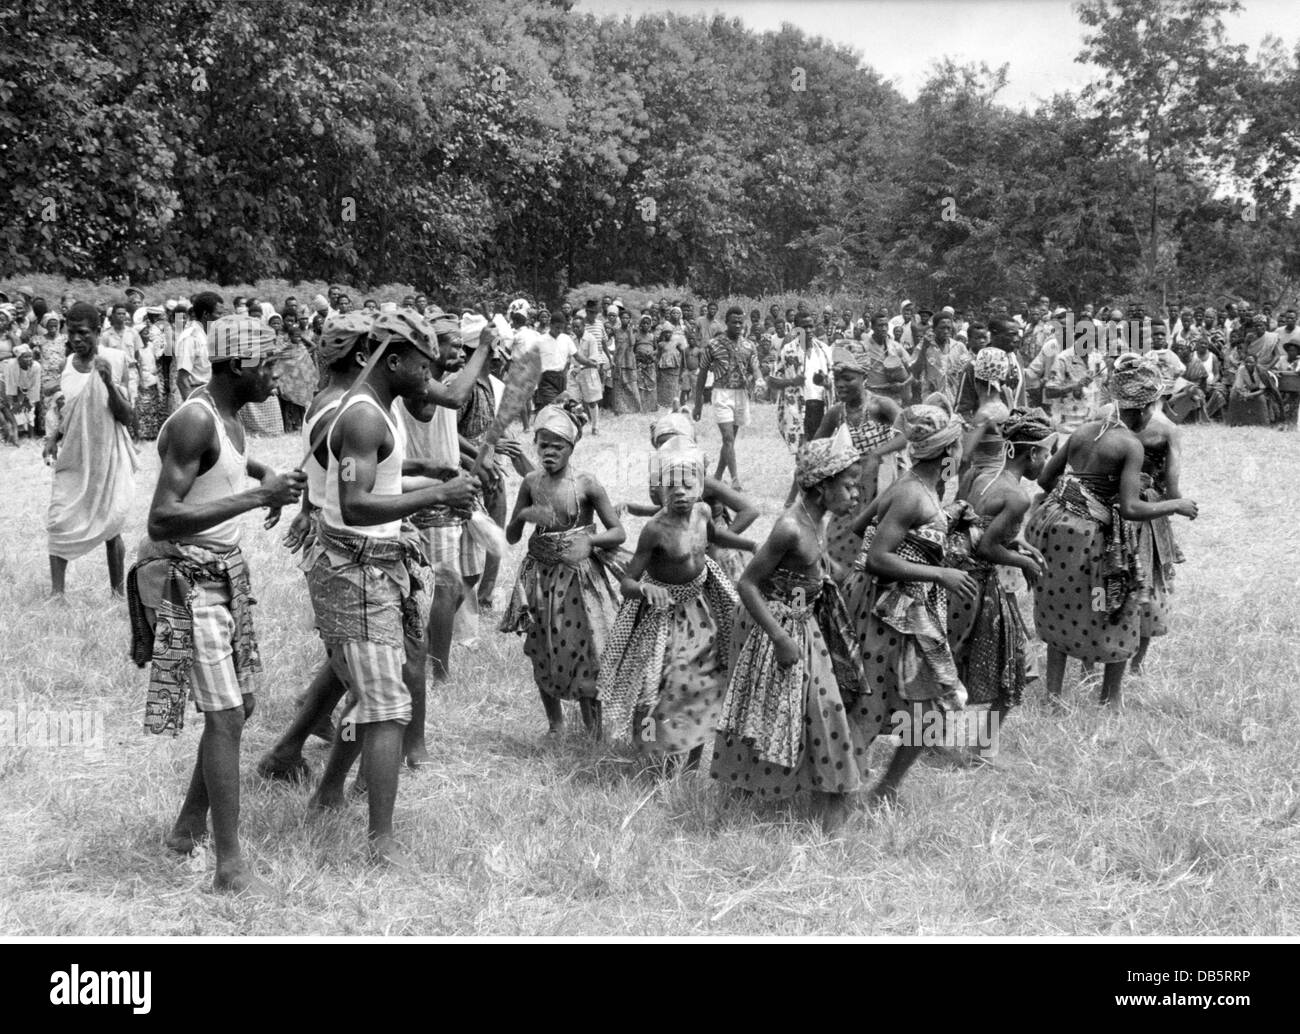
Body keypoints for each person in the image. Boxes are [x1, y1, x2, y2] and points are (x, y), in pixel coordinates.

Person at [127, 314, 306, 895]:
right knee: (226, 716)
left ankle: (187, 827)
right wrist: (259, 496)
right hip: (188, 579)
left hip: (221, 576)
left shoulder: (227, 417)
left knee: (241, 705)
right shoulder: (195, 420)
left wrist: (265, 472)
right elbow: (162, 517)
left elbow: (226, 464)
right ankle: (229, 868)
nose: (277, 377)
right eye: (269, 366)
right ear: (239, 367)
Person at [304, 309, 476, 867]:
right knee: (387, 705)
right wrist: (436, 499)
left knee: (372, 692)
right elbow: (355, 505)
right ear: (394, 360)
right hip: (353, 572)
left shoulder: (381, 411)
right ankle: (382, 844)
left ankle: (328, 794)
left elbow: (377, 478)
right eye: (424, 366)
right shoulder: (361, 419)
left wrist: (434, 477)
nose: (431, 377)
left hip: (377, 568)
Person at [711, 426, 884, 833]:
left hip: (807, 626)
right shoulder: (790, 528)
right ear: (821, 488)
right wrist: (780, 637)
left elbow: (814, 568)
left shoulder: (817, 520)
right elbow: (748, 584)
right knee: (800, 713)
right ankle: (819, 813)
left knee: (808, 712)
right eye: (849, 487)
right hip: (778, 631)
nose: (856, 496)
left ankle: (824, 806)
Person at [1026, 354, 1198, 707]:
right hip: (1093, 533)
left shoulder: (1084, 430)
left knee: (1062, 604)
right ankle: (1111, 698)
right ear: (1148, 406)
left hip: (1055, 525)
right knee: (1118, 607)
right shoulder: (1130, 444)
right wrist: (1176, 506)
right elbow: (1132, 508)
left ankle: (1053, 696)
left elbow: (1045, 479)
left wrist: (1081, 487)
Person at [258, 313, 376, 783]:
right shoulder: (346, 409)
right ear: (366, 357)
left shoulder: (329, 401)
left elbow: (323, 469)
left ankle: (289, 749)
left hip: (332, 538)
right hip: (346, 548)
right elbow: (349, 483)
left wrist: (308, 506)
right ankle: (342, 777)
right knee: (373, 683)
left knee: (346, 662)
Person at [844, 404, 975, 806]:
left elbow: (857, 525)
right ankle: (842, 797)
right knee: (875, 703)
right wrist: (939, 573)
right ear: (948, 452)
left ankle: (882, 789)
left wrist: (936, 531)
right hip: (891, 612)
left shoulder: (912, 485)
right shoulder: (912, 493)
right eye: (959, 445)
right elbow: (879, 556)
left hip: (895, 605)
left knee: (918, 706)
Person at [599, 438, 750, 770]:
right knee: (661, 690)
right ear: (659, 490)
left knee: (706, 682)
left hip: (700, 607)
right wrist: (645, 591)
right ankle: (654, 757)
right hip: (663, 616)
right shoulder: (655, 530)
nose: (680, 491)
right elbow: (627, 582)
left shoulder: (703, 511)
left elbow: (715, 538)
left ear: (700, 484)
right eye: (671, 485)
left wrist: (749, 544)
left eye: (687, 482)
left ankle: (693, 758)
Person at [499, 398, 627, 738]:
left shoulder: (586, 483)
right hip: (540, 578)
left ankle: (593, 729)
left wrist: (592, 542)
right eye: (543, 446)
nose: (550, 453)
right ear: (535, 446)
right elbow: (512, 536)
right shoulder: (530, 482)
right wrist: (524, 516)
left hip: (577, 580)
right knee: (543, 646)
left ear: (572, 447)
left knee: (585, 649)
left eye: (558, 446)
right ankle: (555, 723)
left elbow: (618, 531)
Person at [947, 407, 1053, 760]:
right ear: (1032, 453)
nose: (1047, 461)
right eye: (1046, 453)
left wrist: (1019, 544)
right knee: (1016, 665)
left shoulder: (986, 475)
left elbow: (978, 524)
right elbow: (987, 545)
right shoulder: (1019, 497)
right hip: (978, 583)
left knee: (949, 661)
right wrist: (1024, 562)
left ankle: (938, 742)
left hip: (960, 577)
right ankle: (981, 750)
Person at [45, 303, 138, 596]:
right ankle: (57, 594)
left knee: (111, 524)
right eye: (70, 332)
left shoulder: (116, 360)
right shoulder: (66, 366)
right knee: (59, 519)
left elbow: (127, 416)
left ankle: (118, 591)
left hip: (107, 455)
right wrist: (50, 439)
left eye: (83, 333)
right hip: (74, 455)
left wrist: (109, 382)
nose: (75, 339)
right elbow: (63, 410)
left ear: (98, 331)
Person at [811, 346, 902, 579]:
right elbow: (813, 449)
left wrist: (876, 454)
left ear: (865, 378)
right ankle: (843, 586)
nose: (840, 384)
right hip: (850, 482)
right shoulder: (836, 413)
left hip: (882, 480)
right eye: (837, 379)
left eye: (848, 379)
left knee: (881, 535)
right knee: (838, 536)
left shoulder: (880, 406)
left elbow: (911, 431)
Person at [1129, 405, 1187, 674]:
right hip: (1147, 515)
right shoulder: (1167, 429)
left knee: (1103, 588)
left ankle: (1091, 662)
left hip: (1107, 506)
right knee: (1149, 586)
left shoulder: (1104, 414)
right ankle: (1137, 663)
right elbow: (1173, 489)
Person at [694, 305, 762, 490]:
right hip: (721, 394)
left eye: (741, 322)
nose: (738, 325)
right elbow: (702, 374)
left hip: (741, 394)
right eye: (734, 322)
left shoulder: (749, 345)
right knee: (728, 439)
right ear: (727, 322)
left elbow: (755, 367)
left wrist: (760, 381)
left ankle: (717, 476)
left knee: (729, 441)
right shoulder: (714, 345)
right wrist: (698, 403)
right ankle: (735, 480)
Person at [175, 292, 223, 401]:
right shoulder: (190, 338)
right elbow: (182, 381)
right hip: (197, 396)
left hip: (212, 395)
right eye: (218, 314)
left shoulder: (212, 335)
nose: (222, 318)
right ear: (206, 314)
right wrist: (192, 406)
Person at [1, 343, 41, 438]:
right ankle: (15, 434)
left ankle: (31, 437)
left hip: (26, 388)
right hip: (6, 386)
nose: (28, 359)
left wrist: (29, 400)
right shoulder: (11, 365)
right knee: (13, 409)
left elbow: (35, 385)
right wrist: (16, 402)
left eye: (30, 356)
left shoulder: (36, 366)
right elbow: (11, 385)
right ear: (18, 358)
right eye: (25, 357)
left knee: (30, 410)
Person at [633, 313, 658, 412]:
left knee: (651, 383)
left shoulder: (652, 336)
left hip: (649, 363)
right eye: (644, 323)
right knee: (641, 384)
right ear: (640, 324)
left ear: (650, 325)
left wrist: (652, 353)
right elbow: (632, 350)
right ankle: (642, 407)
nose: (646, 325)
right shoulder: (636, 336)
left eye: (648, 323)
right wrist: (638, 355)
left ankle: (651, 406)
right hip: (639, 364)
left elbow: (657, 349)